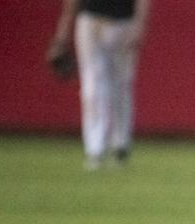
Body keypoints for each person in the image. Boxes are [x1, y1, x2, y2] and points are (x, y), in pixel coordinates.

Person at [47, 0, 151, 170]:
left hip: (124, 20)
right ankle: (95, 147)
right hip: (90, 18)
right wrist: (61, 35)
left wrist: (139, 23)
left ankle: (120, 144)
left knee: (121, 84)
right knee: (93, 84)